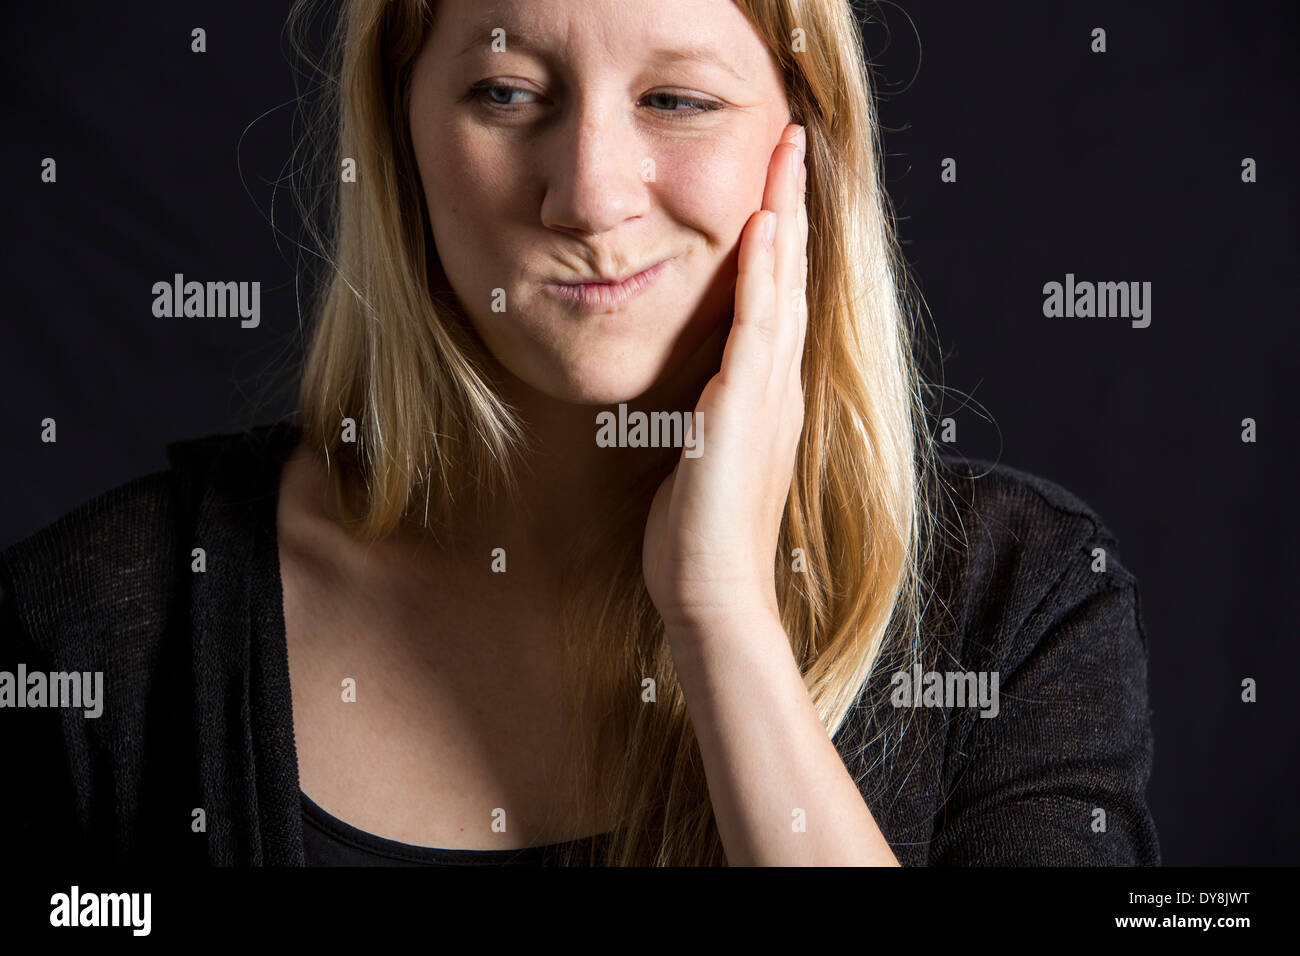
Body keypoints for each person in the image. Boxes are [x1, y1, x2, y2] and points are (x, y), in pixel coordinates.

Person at [0, 0, 1160, 866]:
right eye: (506, 93)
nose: (589, 194)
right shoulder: (98, 632)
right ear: (400, 128)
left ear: (807, 140)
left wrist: (720, 616)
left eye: (676, 100)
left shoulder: (1017, 612)